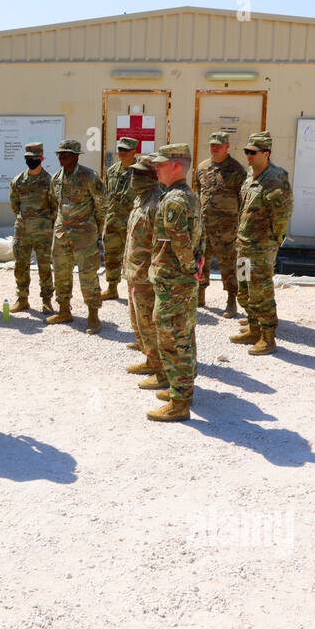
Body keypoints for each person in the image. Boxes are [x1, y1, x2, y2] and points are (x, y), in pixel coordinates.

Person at [147, 144, 201, 422]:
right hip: (181, 279)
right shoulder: (188, 196)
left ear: (177, 166)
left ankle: (179, 403)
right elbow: (195, 239)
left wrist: (191, 268)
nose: (156, 168)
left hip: (174, 280)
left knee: (172, 339)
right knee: (185, 334)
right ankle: (183, 390)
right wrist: (196, 265)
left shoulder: (174, 201)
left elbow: (180, 242)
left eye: (161, 164)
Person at [228, 131, 293, 355]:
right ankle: (253, 329)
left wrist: (274, 241)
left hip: (261, 248)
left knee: (261, 292)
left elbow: (282, 214)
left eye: (253, 152)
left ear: (266, 153)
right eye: (247, 152)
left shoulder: (275, 178)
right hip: (244, 245)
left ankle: (268, 337)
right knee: (244, 289)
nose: (249, 156)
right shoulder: (250, 175)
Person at [47, 139, 106, 332]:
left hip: (84, 235)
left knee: (88, 274)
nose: (61, 157)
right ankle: (64, 310)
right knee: (61, 273)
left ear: (75, 156)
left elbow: (101, 206)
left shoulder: (89, 176)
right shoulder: (56, 178)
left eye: (66, 154)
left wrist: (95, 229)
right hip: (61, 233)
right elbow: (54, 203)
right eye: (59, 154)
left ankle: (93, 315)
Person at [121, 152, 165, 390]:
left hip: (146, 276)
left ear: (151, 177)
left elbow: (160, 245)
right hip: (133, 272)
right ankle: (149, 359)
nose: (133, 177)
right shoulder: (141, 199)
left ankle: (160, 371)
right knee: (138, 322)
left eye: (138, 174)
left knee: (149, 323)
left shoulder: (157, 203)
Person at [195, 130, 247, 317]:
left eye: (219, 145)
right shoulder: (202, 168)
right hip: (205, 226)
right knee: (201, 261)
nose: (214, 148)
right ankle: (200, 294)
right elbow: (198, 192)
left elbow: (243, 199)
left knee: (228, 264)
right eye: (212, 144)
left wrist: (240, 226)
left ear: (227, 147)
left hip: (227, 228)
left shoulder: (237, 170)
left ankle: (231, 300)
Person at [8, 144, 55, 312]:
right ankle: (22, 299)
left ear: (41, 159)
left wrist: (45, 223)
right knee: (21, 265)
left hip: (44, 232)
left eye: (35, 159)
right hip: (23, 231)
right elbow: (15, 205)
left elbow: (54, 207)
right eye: (28, 159)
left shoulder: (50, 181)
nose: (31, 162)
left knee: (44, 266)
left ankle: (47, 300)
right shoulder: (18, 181)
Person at [102, 136, 141, 300]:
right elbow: (106, 196)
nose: (122, 153)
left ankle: (136, 291)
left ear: (134, 152)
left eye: (126, 150)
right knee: (111, 254)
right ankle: (112, 287)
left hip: (132, 223)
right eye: (120, 150)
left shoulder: (142, 172)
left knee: (135, 257)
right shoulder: (111, 171)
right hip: (113, 221)